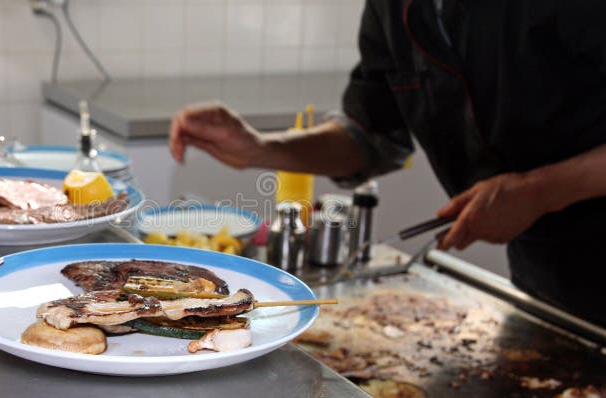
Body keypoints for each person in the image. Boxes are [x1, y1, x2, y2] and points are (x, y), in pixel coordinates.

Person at [168, 0, 606, 327]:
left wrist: (539, 191)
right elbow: (372, 136)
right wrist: (260, 148)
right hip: (544, 280)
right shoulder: (395, 9)